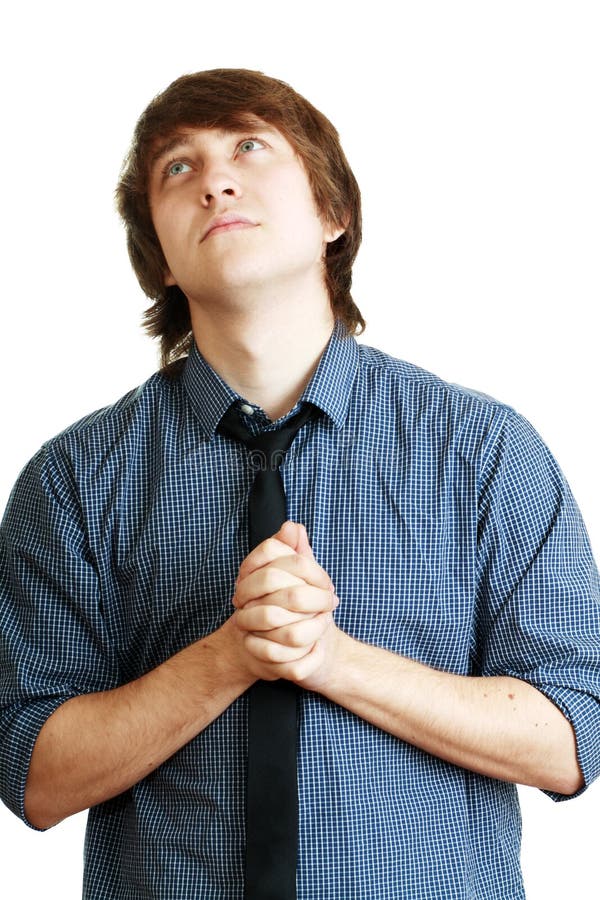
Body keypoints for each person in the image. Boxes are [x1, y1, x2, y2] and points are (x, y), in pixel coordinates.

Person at [1, 68, 599, 899]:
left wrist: (331, 659)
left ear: (332, 213)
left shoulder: (487, 451)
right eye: (178, 167)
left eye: (249, 145)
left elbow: (571, 738)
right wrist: (226, 658)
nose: (215, 179)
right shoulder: (71, 482)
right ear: (160, 262)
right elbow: (30, 771)